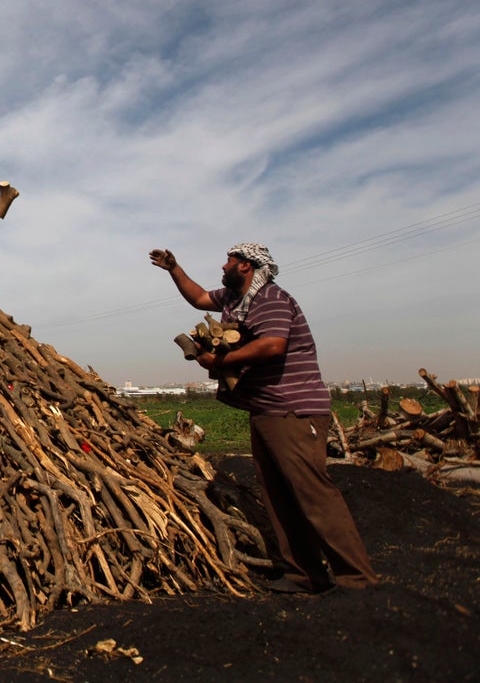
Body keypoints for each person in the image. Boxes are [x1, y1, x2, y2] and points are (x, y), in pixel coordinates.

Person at [149, 243, 378, 594]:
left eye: (229, 259)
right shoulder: (233, 300)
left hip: (293, 409)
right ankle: (305, 574)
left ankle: (357, 578)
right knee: (278, 494)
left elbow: (273, 345)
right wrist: (173, 269)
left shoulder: (269, 298)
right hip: (268, 409)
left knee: (311, 492)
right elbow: (197, 298)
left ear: (246, 266)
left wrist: (221, 362)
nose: (223, 264)